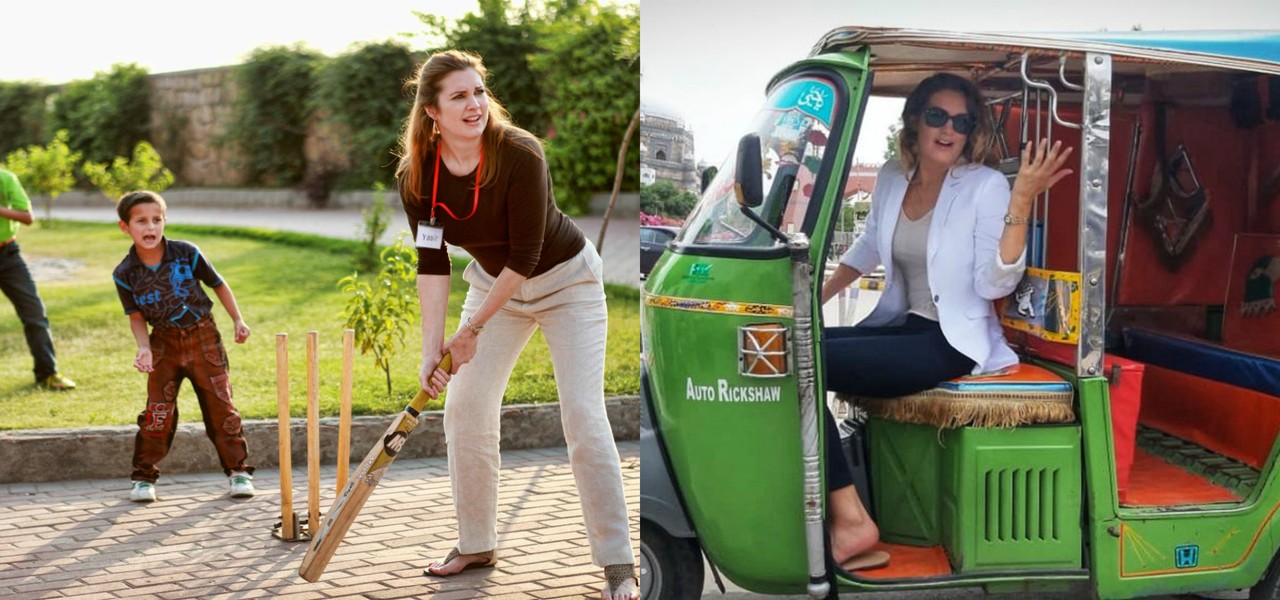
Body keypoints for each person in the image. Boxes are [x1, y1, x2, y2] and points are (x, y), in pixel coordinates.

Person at [395, 50, 638, 600]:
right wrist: (432, 349)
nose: (474, 104)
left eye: (478, 91)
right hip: (493, 290)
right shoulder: (419, 176)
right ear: (432, 110)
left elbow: (526, 253)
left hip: (566, 284)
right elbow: (431, 262)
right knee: (465, 407)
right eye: (458, 95)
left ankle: (618, 563)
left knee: (582, 413)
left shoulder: (520, 152)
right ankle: (476, 543)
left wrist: (469, 331)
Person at [819, 73, 1074, 570]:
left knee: (805, 363)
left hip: (951, 340)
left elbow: (995, 284)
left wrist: (1020, 199)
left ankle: (850, 520)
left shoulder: (983, 186)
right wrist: (804, 300)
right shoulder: (893, 175)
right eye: (937, 115)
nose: (948, 129)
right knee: (793, 345)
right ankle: (831, 510)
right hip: (902, 325)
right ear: (915, 119)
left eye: (961, 121)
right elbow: (868, 247)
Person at [112, 191, 255, 503]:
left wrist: (238, 320)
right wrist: (144, 348)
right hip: (163, 344)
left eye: (156, 219)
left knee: (221, 405)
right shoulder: (124, 273)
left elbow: (218, 284)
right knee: (157, 412)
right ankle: (143, 477)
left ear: (164, 221)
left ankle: (238, 471)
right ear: (125, 227)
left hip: (204, 339)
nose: (150, 227)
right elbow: (136, 317)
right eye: (141, 221)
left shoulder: (186, 253)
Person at [0, 167, 76, 391]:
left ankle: (48, 374)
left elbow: (27, 217)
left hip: (8, 255)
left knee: (35, 314)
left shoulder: (6, 179)